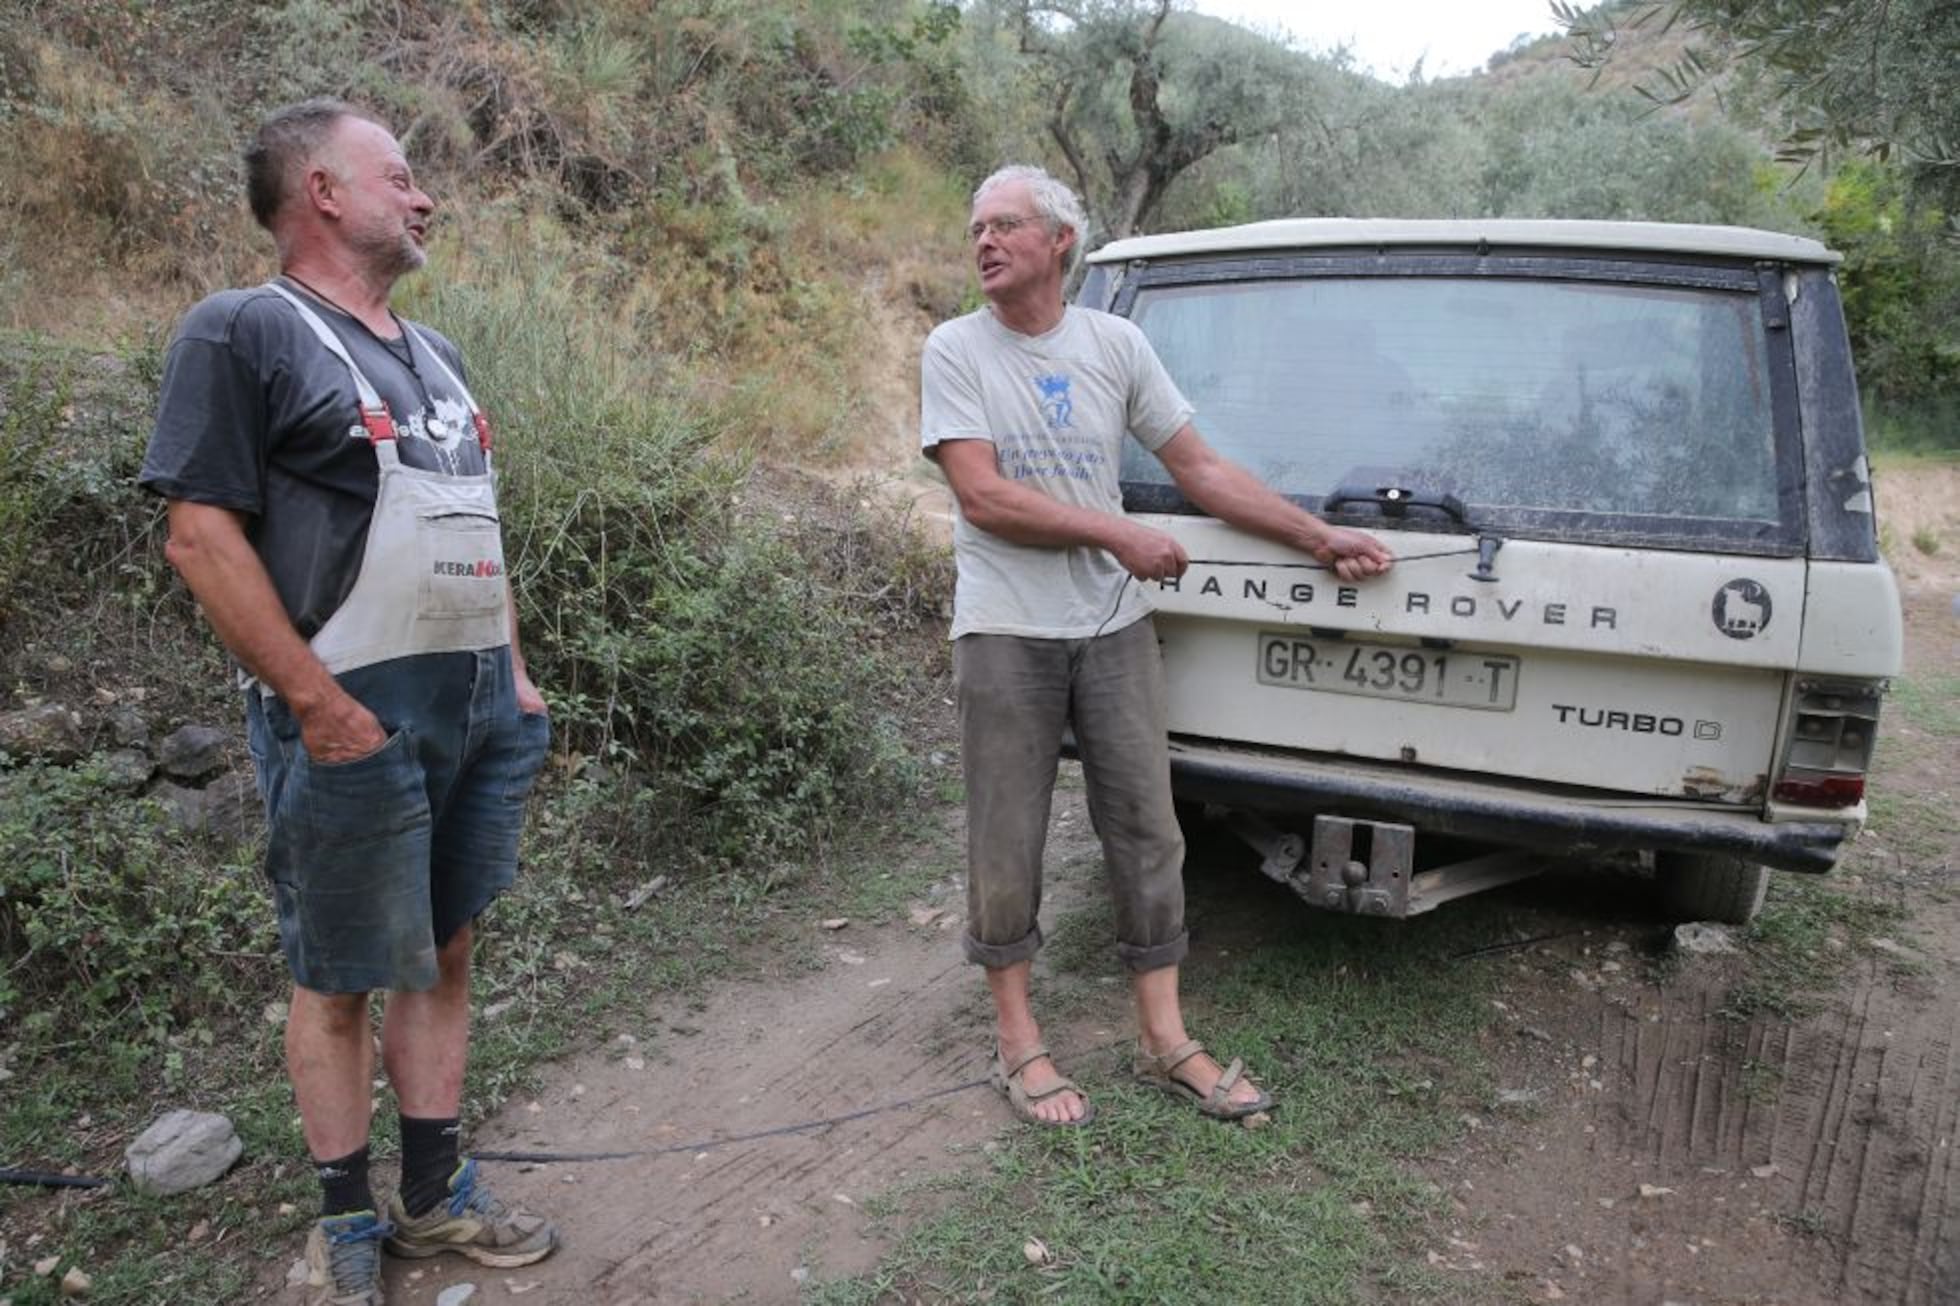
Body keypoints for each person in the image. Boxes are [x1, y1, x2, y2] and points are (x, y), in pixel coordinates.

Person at [142, 99, 558, 1304]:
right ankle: (344, 1223)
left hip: (474, 706)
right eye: (401, 174)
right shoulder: (241, 333)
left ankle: (431, 1201)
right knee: (336, 976)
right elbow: (199, 535)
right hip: (351, 714)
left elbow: (476, 522)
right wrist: (315, 703)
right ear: (321, 189)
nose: (423, 196)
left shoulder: (438, 356)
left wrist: (515, 672)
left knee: (444, 947)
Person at [920, 165, 1395, 1127]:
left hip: (1112, 630)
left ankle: (1166, 1038)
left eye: (1005, 224)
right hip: (1005, 629)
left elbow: (1200, 466)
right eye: (975, 228)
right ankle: (1020, 1045)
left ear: (1060, 241)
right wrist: (1118, 533)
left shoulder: (1115, 344)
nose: (984, 241)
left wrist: (1316, 535)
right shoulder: (954, 349)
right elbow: (984, 497)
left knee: (1147, 829)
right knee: (1004, 838)